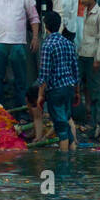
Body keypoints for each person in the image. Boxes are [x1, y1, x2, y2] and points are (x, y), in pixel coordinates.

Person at [37, 10, 80, 151]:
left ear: (45, 26)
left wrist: (40, 95)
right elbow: (75, 70)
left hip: (55, 90)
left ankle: (64, 160)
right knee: (66, 123)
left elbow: (44, 73)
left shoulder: (47, 45)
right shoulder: (68, 43)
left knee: (61, 128)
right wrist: (77, 91)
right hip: (69, 88)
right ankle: (72, 156)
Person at [77, 0, 100, 139]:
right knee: (82, 87)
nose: (82, 0)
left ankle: (96, 123)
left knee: (95, 90)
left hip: (92, 56)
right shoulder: (84, 12)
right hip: (82, 53)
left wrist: (98, 59)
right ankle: (87, 117)